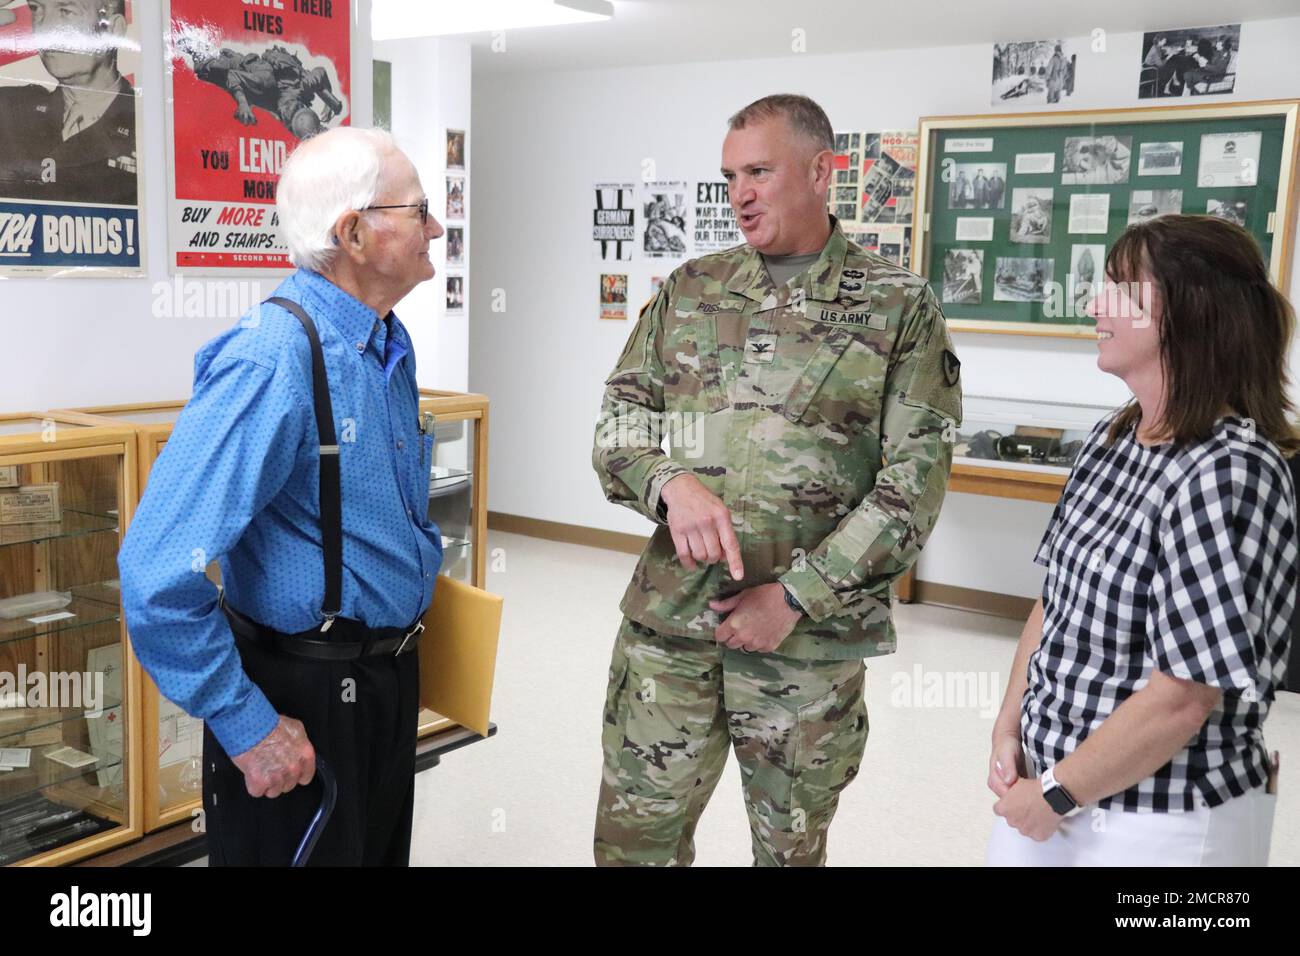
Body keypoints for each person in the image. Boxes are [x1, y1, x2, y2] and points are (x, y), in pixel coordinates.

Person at [592, 93, 962, 866]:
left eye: (759, 171)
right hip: (672, 632)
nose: (740, 195)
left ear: (821, 171)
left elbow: (914, 483)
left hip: (806, 650)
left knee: (788, 854)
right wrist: (668, 483)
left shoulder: (898, 306)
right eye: (730, 176)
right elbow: (618, 423)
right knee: (634, 848)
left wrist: (796, 596)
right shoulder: (691, 288)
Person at [119, 127, 446, 866]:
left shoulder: (387, 343)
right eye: (419, 209)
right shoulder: (273, 361)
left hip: (385, 680)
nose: (436, 226)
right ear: (354, 232)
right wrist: (247, 725)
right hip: (304, 696)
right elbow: (154, 571)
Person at [986, 214, 1297, 866]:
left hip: (1166, 816)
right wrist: (1011, 728)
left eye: (1122, 291)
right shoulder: (1110, 440)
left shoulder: (1228, 468)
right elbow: (1054, 602)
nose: (1095, 305)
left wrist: (1058, 794)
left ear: (1190, 314)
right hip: (1051, 784)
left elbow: (1184, 695)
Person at [0, 0, 137, 204]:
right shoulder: (9, 108)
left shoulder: (147, 126)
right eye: (36, 9)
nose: (45, 28)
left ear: (113, 30)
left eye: (66, 11)